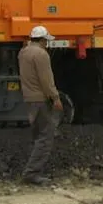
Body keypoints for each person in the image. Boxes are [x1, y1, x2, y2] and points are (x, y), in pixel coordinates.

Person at [17, 25, 63, 185]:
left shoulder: (23, 52)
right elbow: (46, 80)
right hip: (40, 99)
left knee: (37, 135)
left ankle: (33, 171)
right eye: (46, 41)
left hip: (29, 98)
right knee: (46, 135)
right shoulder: (41, 54)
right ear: (42, 40)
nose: (47, 44)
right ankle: (32, 173)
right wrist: (56, 98)